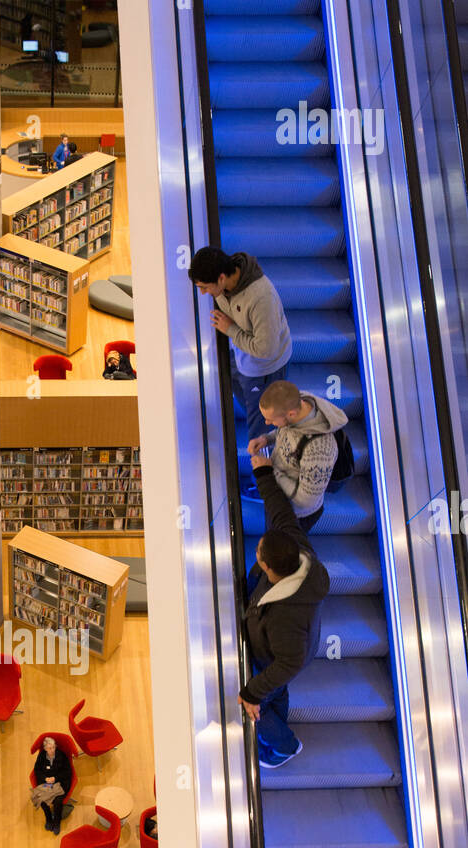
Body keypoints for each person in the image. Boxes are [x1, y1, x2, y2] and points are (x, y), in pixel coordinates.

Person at [238, 455, 330, 768]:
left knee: (260, 700)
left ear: (267, 567)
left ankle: (285, 746)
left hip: (280, 656)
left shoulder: (284, 617)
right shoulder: (297, 547)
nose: (257, 552)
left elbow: (287, 664)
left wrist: (252, 692)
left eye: (259, 554)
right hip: (287, 646)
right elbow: (280, 511)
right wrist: (263, 472)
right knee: (275, 692)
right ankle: (273, 704)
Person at [188, 246, 291, 446]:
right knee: (247, 403)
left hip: (264, 370)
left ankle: (269, 467)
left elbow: (266, 349)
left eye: (205, 287)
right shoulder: (224, 285)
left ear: (220, 278)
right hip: (241, 357)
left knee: (259, 437)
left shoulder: (261, 299)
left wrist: (231, 330)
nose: (203, 293)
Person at [248, 380, 349, 533]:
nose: (267, 422)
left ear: (291, 414)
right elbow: (287, 431)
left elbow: (306, 501)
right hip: (277, 492)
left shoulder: (319, 450)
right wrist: (266, 439)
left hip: (294, 515)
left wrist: (268, 472)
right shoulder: (300, 402)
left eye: (271, 419)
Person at [32, 735, 73, 834]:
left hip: (60, 783)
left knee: (58, 800)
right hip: (46, 783)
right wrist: (45, 779)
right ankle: (48, 818)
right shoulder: (42, 756)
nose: (52, 750)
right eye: (50, 748)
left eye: (54, 747)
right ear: (45, 748)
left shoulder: (61, 755)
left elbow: (68, 772)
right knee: (41, 798)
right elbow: (37, 770)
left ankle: (57, 821)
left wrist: (55, 778)